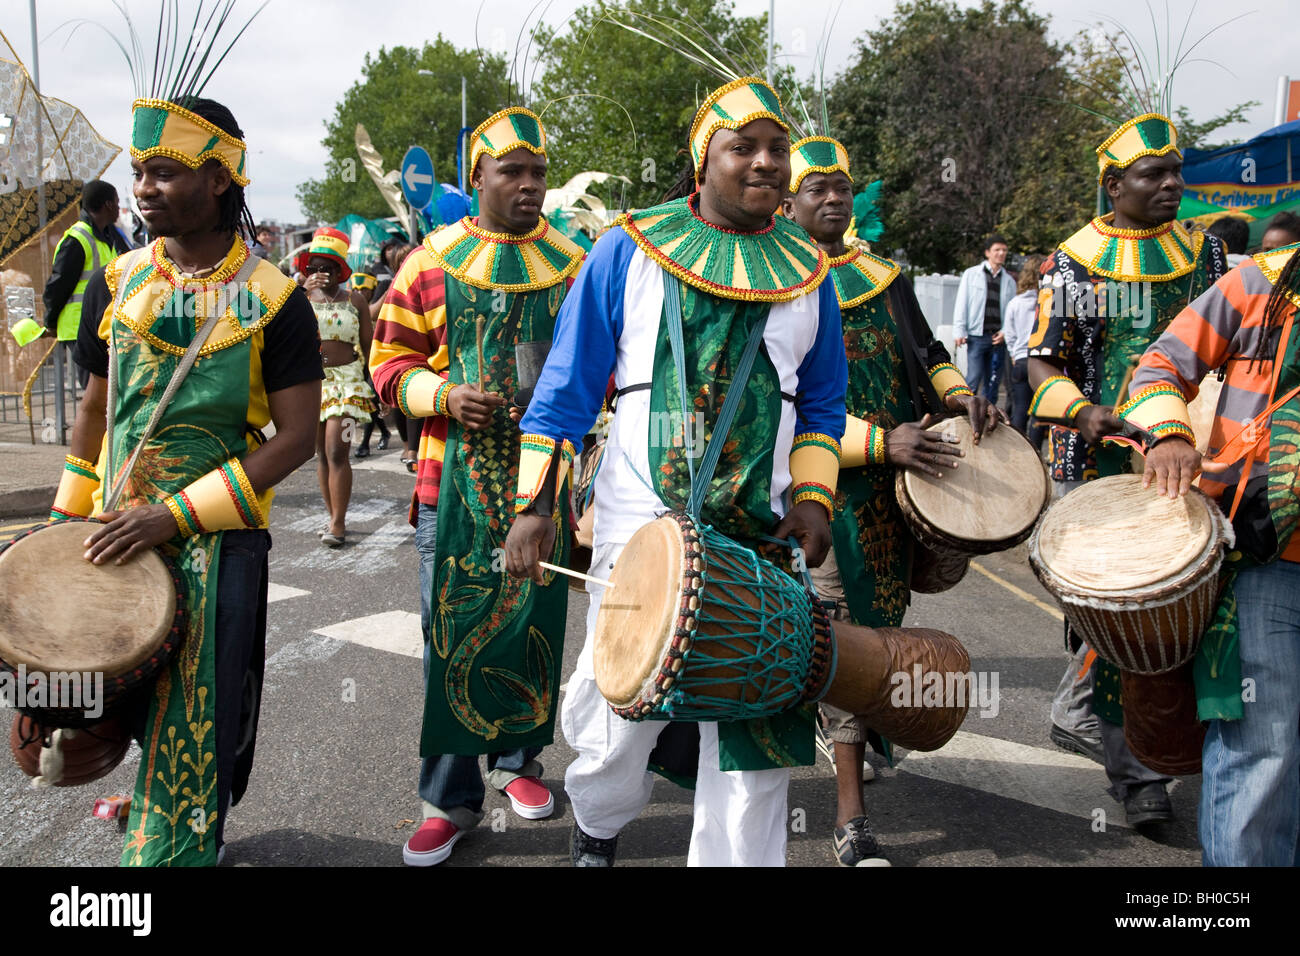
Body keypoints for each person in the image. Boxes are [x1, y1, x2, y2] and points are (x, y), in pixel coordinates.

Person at [504, 77, 848, 867]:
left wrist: (815, 496)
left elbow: (825, 404)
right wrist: (535, 506)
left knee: (758, 736)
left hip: (762, 537)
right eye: (744, 148)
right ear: (705, 161)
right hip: (638, 526)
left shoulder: (810, 270)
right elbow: (563, 390)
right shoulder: (628, 246)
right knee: (620, 719)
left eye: (778, 150)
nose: (766, 164)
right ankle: (599, 822)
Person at [53, 93, 322, 866]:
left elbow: (297, 438)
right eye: (139, 172)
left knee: (196, 718)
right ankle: (154, 807)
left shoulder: (274, 299)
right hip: (112, 536)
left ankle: (174, 846)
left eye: (164, 173)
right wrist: (65, 525)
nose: (143, 188)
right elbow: (95, 410)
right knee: (93, 702)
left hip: (217, 546)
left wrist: (171, 518)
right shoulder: (119, 279)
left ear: (220, 181)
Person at [370, 106, 584, 867]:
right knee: (451, 634)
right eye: (511, 172)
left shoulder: (572, 262)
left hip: (541, 484)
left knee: (532, 626)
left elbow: (598, 367)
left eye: (538, 174)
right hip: (449, 483)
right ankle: (447, 799)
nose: (528, 186)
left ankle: (521, 765)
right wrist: (442, 396)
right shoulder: (429, 263)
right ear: (478, 177)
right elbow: (388, 363)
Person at [781, 135, 998, 866]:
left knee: (883, 628)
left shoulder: (885, 275)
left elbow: (929, 353)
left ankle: (853, 724)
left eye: (842, 187)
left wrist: (962, 397)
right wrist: (881, 444)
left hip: (896, 501)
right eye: (818, 189)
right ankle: (851, 818)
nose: (834, 199)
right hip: (823, 497)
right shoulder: (775, 284)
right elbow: (787, 412)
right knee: (850, 643)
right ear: (789, 202)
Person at [1027, 111, 1227, 828]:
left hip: (1192, 457)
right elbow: (1041, 358)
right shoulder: (1075, 259)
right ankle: (1137, 773)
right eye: (1154, 175)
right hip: (1100, 464)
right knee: (1125, 611)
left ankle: (1105, 719)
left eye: (1177, 172)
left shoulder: (1204, 254)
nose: (1173, 185)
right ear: (1113, 185)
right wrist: (1081, 411)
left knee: (1184, 611)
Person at [1120, 237, 1300, 865]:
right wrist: (1169, 433)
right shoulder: (1260, 284)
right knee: (1263, 749)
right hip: (1267, 562)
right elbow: (1161, 365)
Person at [296, 227, 375, 547]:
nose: (321, 274)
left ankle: (339, 523)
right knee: (320, 454)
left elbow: (369, 344)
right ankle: (332, 518)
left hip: (348, 383)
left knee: (336, 449)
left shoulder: (354, 299)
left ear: (339, 271)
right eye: (314, 267)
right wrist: (300, 292)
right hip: (313, 383)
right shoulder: (299, 299)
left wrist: (377, 384)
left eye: (327, 267)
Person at [42, 180, 132, 384]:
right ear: (108, 205)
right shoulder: (77, 237)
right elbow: (58, 285)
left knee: (110, 391)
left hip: (104, 323)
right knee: (96, 393)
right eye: (117, 203)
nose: (119, 208)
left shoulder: (108, 236)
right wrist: (50, 322)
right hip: (80, 328)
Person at [952, 234, 1016, 404]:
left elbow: (1011, 312)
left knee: (992, 382)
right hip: (977, 335)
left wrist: (1005, 332)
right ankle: (964, 413)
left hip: (997, 338)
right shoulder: (972, 274)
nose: (1001, 253)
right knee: (973, 378)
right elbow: (962, 302)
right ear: (988, 253)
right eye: (997, 250)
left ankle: (990, 419)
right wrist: (959, 330)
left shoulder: (1009, 280)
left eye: (1004, 250)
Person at [1003, 254, 1047, 447]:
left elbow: (1009, 333)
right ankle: (1036, 452)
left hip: (1020, 360)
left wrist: (1014, 353)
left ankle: (1018, 450)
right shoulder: (1048, 302)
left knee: (1020, 409)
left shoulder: (1015, 303)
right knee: (1039, 411)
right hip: (1041, 362)